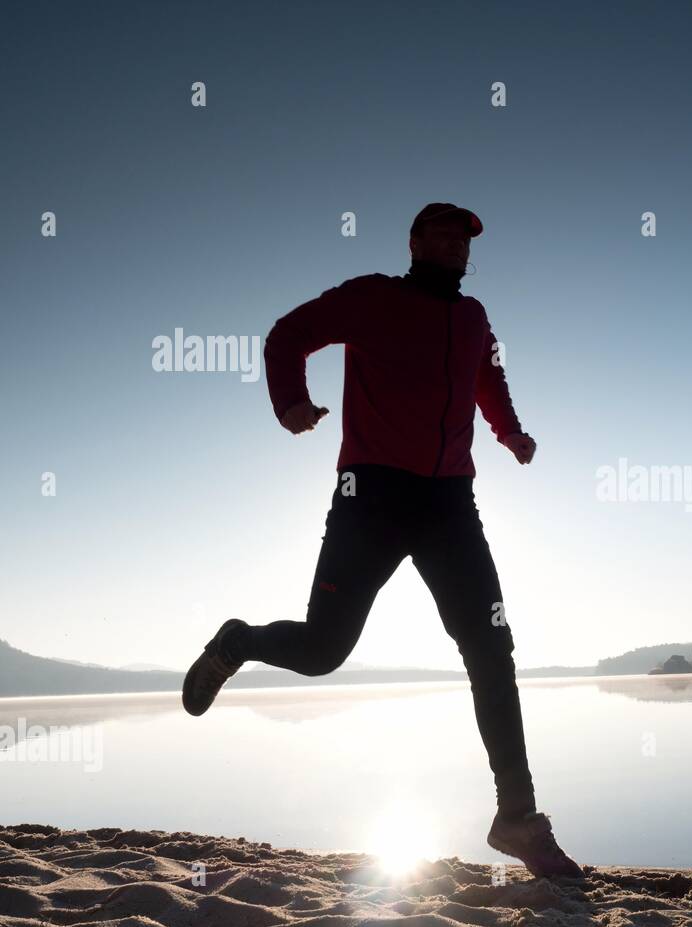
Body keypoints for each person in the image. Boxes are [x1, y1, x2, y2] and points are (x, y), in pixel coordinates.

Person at [181, 202, 583, 880]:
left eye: (465, 239)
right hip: (370, 495)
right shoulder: (371, 297)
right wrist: (290, 404)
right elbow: (287, 335)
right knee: (323, 648)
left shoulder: (474, 316)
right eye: (443, 234)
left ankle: (517, 817)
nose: (456, 246)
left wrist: (510, 431)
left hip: (450, 502)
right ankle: (238, 642)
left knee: (491, 644)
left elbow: (488, 376)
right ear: (417, 243)